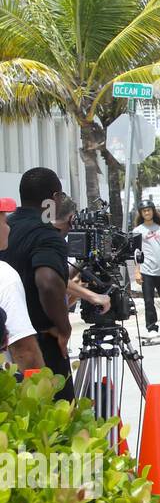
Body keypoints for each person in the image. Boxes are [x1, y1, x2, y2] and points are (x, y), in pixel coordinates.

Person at [0, 169, 74, 398]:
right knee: (54, 424)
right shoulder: (46, 235)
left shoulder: (9, 227)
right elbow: (48, 282)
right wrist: (63, 327)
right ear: (54, 198)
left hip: (7, 347)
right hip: (40, 345)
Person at [0, 196, 42, 373]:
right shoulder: (4, 275)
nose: (9, 227)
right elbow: (24, 351)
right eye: (4, 221)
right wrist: (42, 393)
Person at [133, 201, 160, 340]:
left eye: (149, 210)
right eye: (144, 211)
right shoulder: (137, 231)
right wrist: (137, 271)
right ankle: (151, 328)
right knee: (149, 301)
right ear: (141, 213)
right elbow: (136, 252)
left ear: (153, 211)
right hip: (146, 270)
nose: (147, 213)